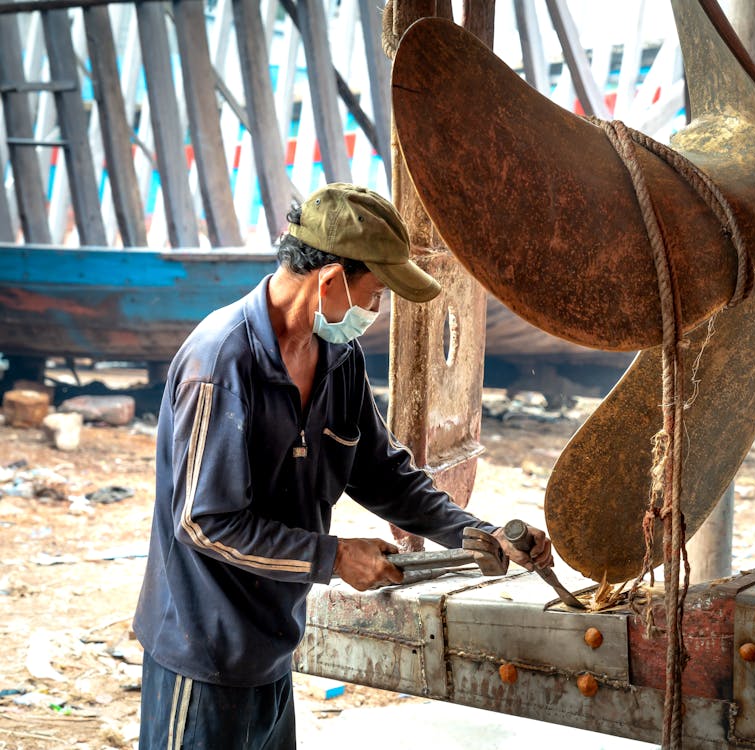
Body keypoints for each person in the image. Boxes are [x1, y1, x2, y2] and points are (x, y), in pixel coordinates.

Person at [133, 183, 553, 749]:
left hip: (274, 641)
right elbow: (205, 522)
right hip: (203, 650)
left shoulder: (337, 356)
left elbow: (384, 474)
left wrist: (477, 533)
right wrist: (333, 557)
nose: (375, 312)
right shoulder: (221, 363)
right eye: (375, 294)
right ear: (329, 281)